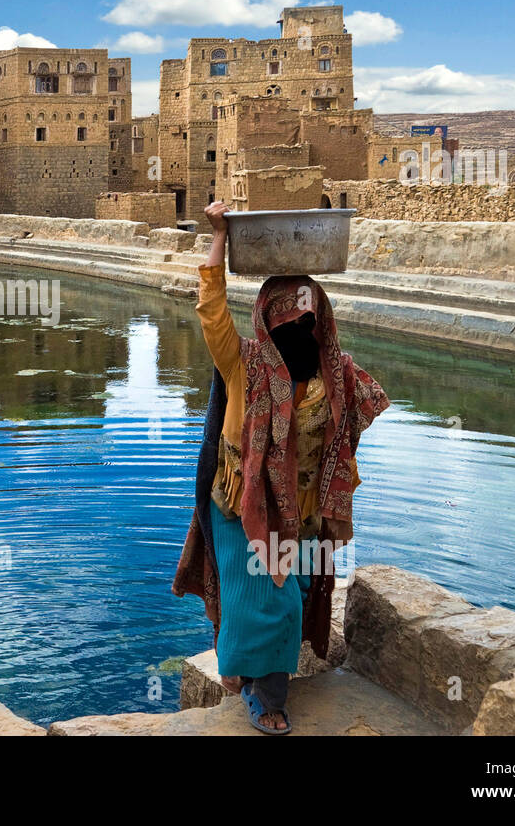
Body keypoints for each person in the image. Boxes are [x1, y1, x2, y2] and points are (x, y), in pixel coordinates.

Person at [173, 201, 389, 734]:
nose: (300, 332)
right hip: (241, 505)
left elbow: (369, 403)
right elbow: (211, 308)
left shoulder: (335, 373)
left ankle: (242, 667)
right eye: (288, 323)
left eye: (309, 322)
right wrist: (220, 237)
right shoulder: (243, 363)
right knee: (266, 601)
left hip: (303, 516)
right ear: (268, 322)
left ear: (322, 323)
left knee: (288, 598)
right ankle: (266, 701)